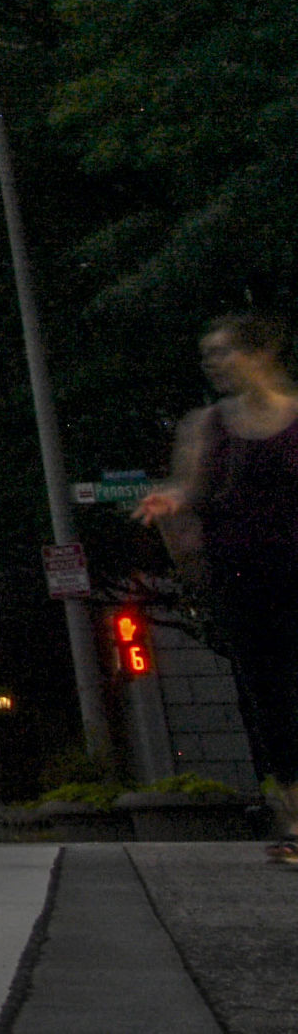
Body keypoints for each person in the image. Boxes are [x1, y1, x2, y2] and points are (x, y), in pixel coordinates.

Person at [139, 309, 298, 863]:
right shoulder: (207, 424)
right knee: (269, 698)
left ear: (261, 354)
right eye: (208, 355)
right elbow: (190, 486)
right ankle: (293, 819)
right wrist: (171, 501)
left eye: (224, 351)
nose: (215, 364)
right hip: (243, 578)